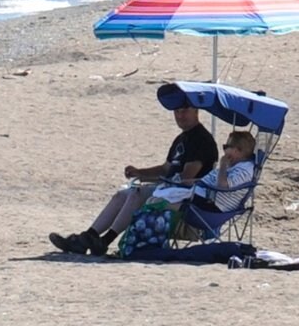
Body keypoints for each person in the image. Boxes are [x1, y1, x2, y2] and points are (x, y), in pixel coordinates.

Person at [51, 99, 219, 256]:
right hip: (169, 189)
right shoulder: (181, 139)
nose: (180, 115)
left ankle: (105, 240)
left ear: (196, 111)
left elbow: (186, 177)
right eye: (177, 112)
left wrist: (157, 183)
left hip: (184, 196)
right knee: (120, 195)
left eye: (185, 111)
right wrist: (141, 172)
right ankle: (87, 237)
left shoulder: (202, 140)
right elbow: (166, 168)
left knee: (135, 194)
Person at [118, 129, 261, 262]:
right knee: (157, 197)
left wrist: (223, 165)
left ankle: (145, 245)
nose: (224, 150)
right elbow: (211, 181)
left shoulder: (244, 169)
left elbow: (222, 185)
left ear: (236, 151)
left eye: (226, 147)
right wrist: (188, 182)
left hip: (208, 207)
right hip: (200, 196)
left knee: (157, 202)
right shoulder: (235, 166)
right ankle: (143, 243)